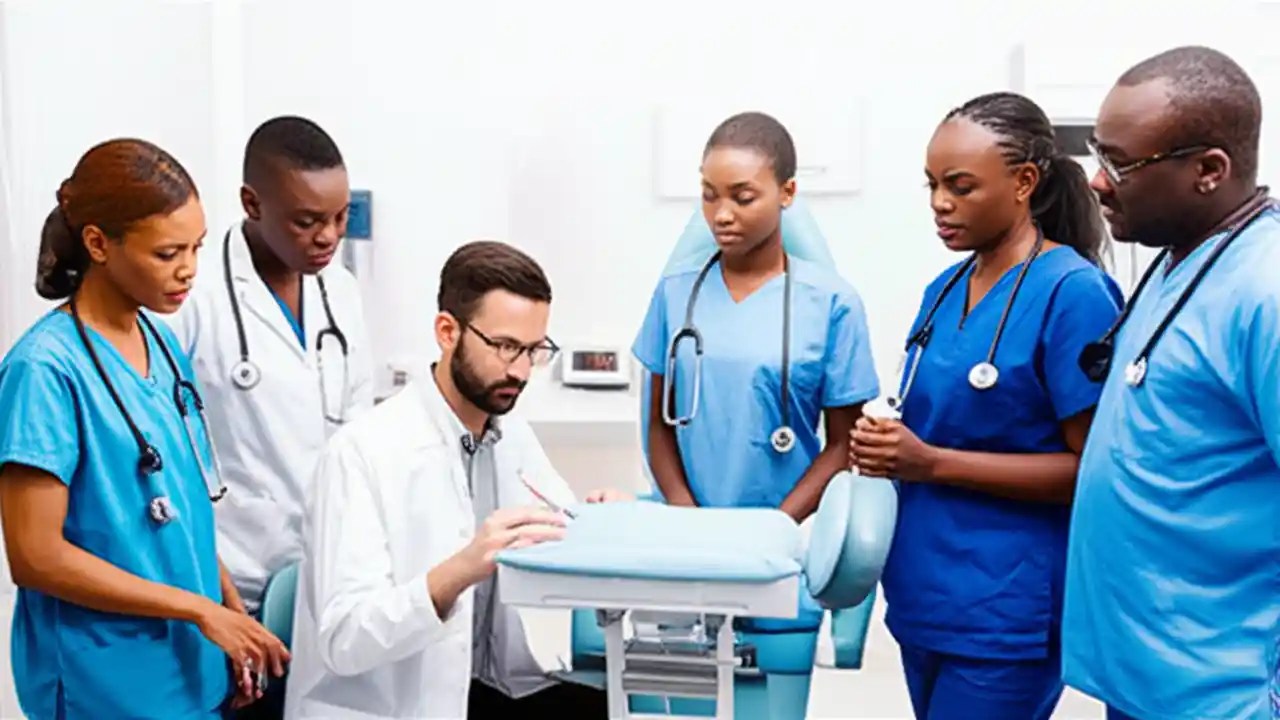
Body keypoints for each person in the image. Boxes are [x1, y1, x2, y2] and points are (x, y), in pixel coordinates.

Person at [849, 92, 1123, 720]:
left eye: (961, 186)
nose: (941, 203)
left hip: (1007, 610)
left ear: (1025, 181)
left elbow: (1095, 472)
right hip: (926, 599)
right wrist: (885, 445)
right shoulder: (943, 291)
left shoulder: (1073, 293)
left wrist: (929, 462)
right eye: (933, 185)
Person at [0, 138, 288, 719]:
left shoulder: (159, 342)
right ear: (99, 244)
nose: (188, 270)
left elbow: (182, 510)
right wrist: (200, 611)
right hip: (102, 681)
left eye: (197, 248)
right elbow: (34, 555)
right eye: (167, 253)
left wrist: (229, 610)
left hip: (189, 668)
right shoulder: (44, 370)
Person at [284, 240, 628, 719]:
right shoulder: (362, 453)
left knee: (618, 709)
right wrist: (459, 570)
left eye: (534, 350)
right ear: (448, 331)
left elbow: (561, 538)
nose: (522, 370)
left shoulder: (512, 437)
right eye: (506, 347)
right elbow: (346, 639)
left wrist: (599, 523)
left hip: (485, 688)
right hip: (389, 706)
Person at [1061, 46, 1279, 720]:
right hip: (1146, 679)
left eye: (1119, 165)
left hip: (1225, 695)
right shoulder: (1177, 260)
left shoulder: (1265, 291)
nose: (1097, 183)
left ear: (1210, 170)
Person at [164, 115, 373, 624]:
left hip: (326, 573)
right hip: (230, 579)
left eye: (340, 217)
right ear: (252, 204)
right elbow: (163, 450)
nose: (328, 237)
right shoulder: (192, 294)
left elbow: (360, 434)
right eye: (306, 221)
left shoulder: (340, 291)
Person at [633, 111, 879, 522]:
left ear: (787, 193)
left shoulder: (833, 303)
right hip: (687, 529)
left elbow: (842, 445)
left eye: (742, 197)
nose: (721, 214)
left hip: (787, 534)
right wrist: (685, 515)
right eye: (709, 195)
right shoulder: (675, 293)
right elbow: (658, 425)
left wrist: (778, 524)